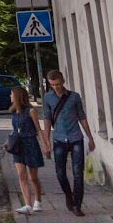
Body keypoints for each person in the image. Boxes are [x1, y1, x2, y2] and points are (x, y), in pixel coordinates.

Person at [41, 69, 97, 215]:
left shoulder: (74, 97)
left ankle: (77, 205)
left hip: (75, 137)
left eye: (58, 84)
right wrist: (46, 141)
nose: (56, 87)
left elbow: (82, 117)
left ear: (63, 81)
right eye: (52, 85)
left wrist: (90, 137)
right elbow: (47, 119)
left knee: (78, 172)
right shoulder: (48, 98)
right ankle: (68, 195)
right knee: (60, 172)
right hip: (59, 138)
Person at [8, 86, 45, 214]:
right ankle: (27, 205)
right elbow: (14, 129)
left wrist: (45, 145)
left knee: (33, 177)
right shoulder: (14, 112)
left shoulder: (31, 111)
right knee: (21, 174)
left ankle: (38, 200)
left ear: (17, 96)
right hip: (18, 145)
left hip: (31, 143)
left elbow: (38, 129)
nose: (10, 96)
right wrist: (8, 142)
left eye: (11, 94)